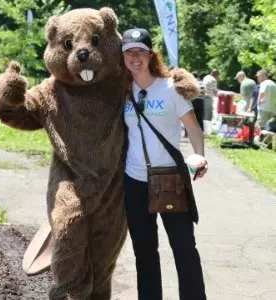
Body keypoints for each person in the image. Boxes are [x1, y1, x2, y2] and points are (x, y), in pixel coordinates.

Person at [122, 28, 207, 300]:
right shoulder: (122, 91)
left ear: (151, 55)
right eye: (129, 51)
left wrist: (198, 155)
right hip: (134, 182)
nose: (135, 57)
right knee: (144, 252)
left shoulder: (171, 88)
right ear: (122, 56)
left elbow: (193, 128)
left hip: (170, 180)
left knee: (184, 248)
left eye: (141, 51)